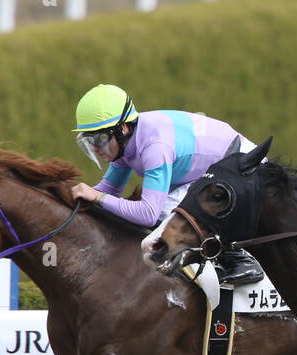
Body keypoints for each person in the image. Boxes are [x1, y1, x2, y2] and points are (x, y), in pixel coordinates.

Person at [69, 84, 263, 284]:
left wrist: (97, 197)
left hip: (241, 168)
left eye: (99, 138)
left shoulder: (155, 147)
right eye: (88, 139)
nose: (95, 147)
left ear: (123, 128)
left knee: (167, 213)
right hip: (215, 170)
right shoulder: (124, 142)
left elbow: (147, 213)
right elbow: (108, 191)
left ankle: (240, 260)